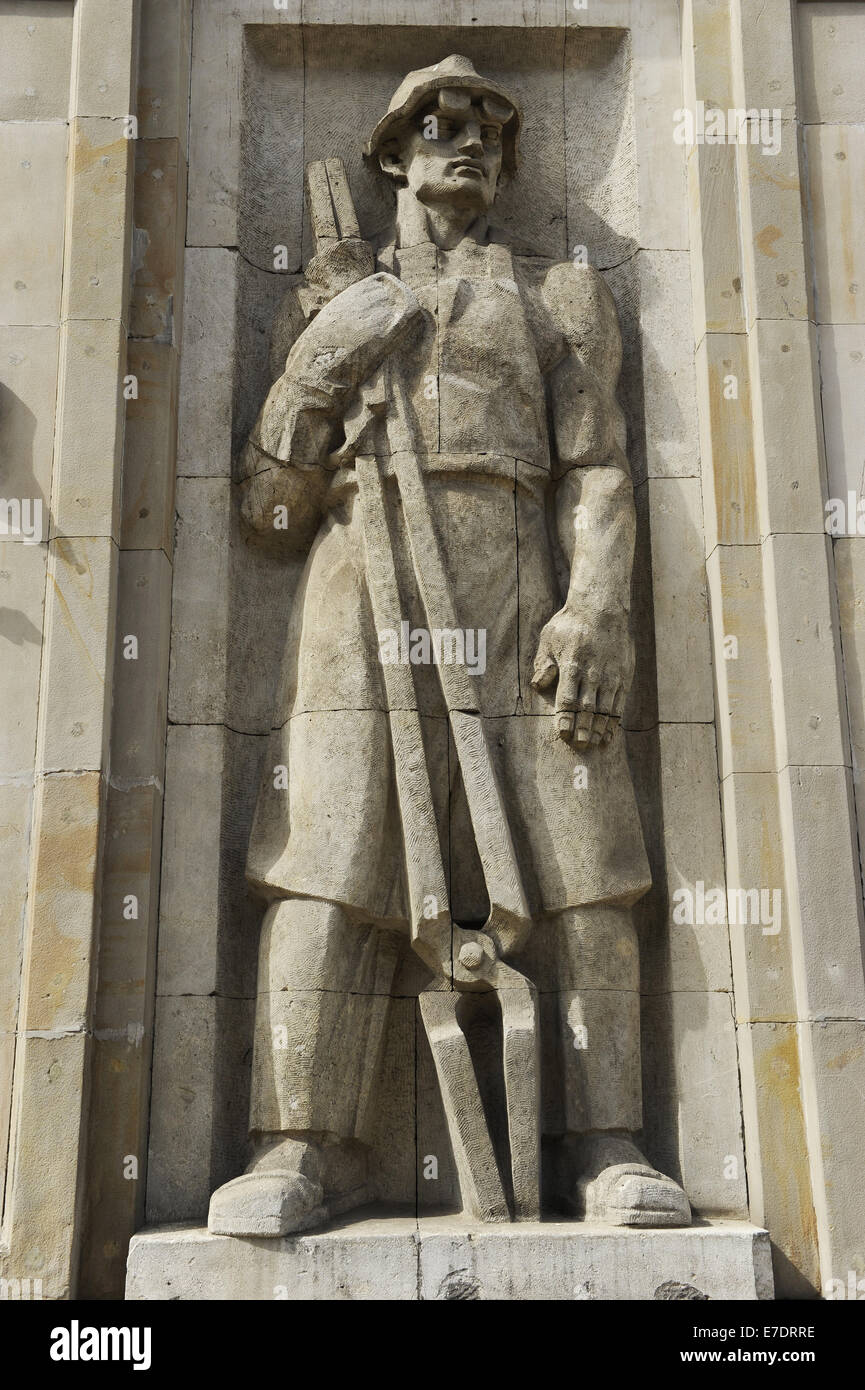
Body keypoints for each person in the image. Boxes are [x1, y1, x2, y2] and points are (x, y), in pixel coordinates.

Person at [208, 54, 691, 1236]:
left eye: (483, 125)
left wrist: (598, 607)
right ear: (392, 153)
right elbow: (266, 516)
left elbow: (598, 471)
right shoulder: (323, 304)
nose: (461, 141)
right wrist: (321, 363)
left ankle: (610, 1143)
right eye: (434, 124)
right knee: (329, 843)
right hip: (358, 576)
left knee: (583, 853)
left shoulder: (559, 299)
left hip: (516, 568)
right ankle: (297, 1146)